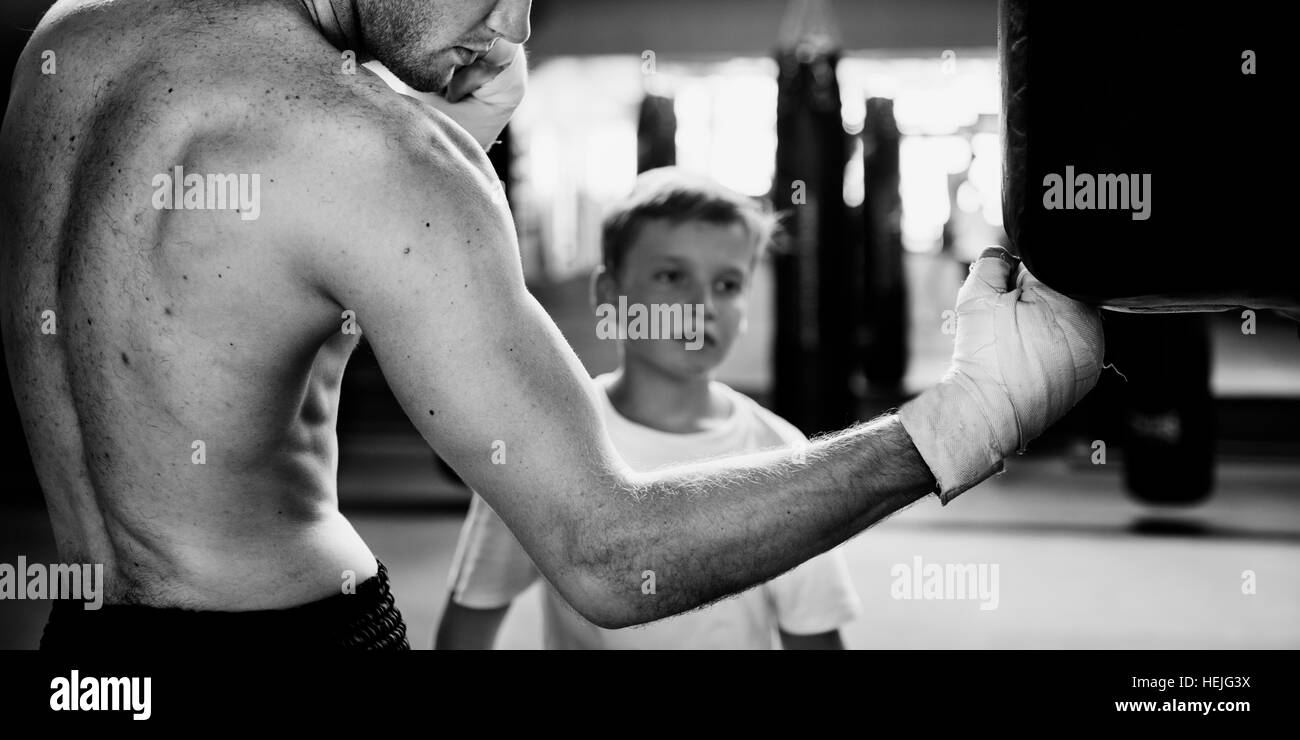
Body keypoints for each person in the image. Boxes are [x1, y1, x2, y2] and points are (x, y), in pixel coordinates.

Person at [0, 0, 1104, 650]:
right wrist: (961, 421)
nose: (515, 23)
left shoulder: (69, 36)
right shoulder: (374, 148)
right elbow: (608, 554)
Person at [437, 169, 862, 649]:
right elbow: (469, 626)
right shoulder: (545, 449)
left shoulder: (782, 455)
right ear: (608, 295)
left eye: (726, 284)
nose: (701, 304)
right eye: (671, 276)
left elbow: (814, 638)